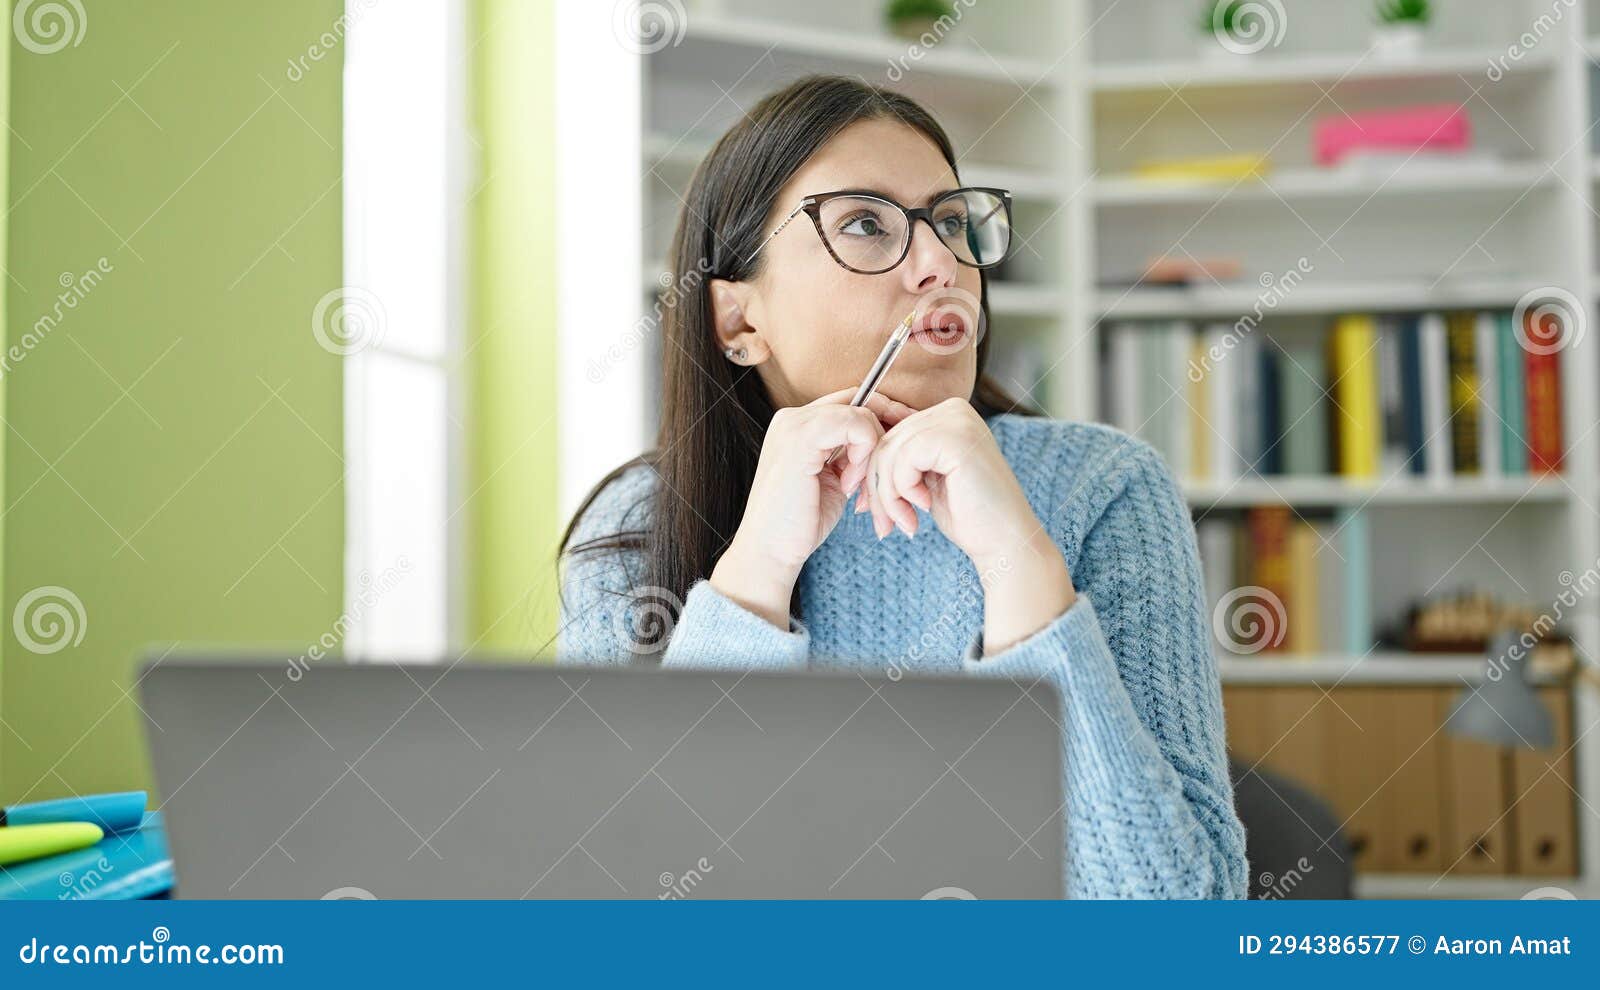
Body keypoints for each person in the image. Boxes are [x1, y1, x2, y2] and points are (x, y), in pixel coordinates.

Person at [556, 74, 1247, 899]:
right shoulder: (637, 525)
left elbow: (1177, 921)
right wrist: (753, 579)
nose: (939, 264)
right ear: (739, 321)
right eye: (864, 223)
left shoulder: (1106, 488)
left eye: (950, 223)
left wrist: (1021, 565)